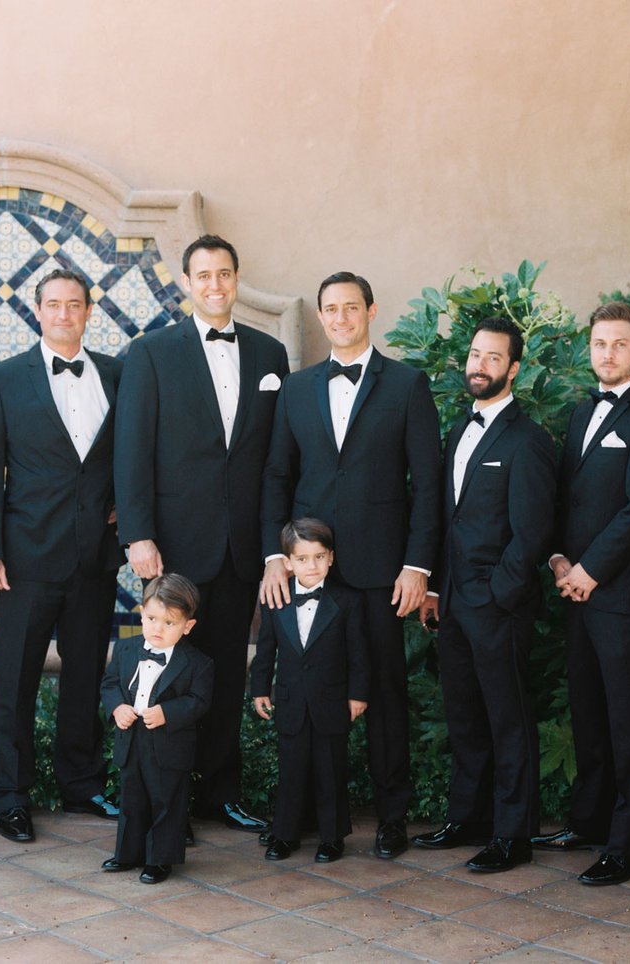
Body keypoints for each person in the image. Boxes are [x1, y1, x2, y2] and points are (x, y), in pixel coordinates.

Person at [261, 271, 440, 859]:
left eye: (351, 308)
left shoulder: (408, 385)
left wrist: (418, 565)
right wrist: (276, 558)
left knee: (384, 693)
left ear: (371, 310)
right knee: (308, 694)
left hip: (382, 571)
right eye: (330, 310)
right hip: (311, 568)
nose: (340, 318)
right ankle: (310, 815)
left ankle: (392, 816)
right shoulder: (297, 388)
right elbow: (278, 477)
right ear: (320, 317)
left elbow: (428, 485)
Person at [115, 234, 288, 834]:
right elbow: (131, 451)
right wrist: (138, 534)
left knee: (220, 674)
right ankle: (171, 802)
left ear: (236, 279)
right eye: (203, 276)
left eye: (224, 274)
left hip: (240, 548)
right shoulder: (152, 353)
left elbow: (273, 464)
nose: (215, 285)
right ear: (185, 283)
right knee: (167, 675)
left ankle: (221, 790)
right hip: (176, 545)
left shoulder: (270, 355)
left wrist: (272, 549)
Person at [0, 269, 122, 844]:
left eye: (73, 305)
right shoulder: (4, 379)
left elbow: (133, 456)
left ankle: (82, 785)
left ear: (88, 311)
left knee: (84, 678)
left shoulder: (117, 373)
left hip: (94, 560)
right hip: (25, 560)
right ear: (37, 311)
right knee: (16, 683)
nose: (63, 314)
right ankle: (11, 796)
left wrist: (125, 516)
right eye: (53, 304)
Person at [533, 302, 630, 885]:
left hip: (622, 596)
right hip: (578, 591)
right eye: (599, 344)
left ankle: (627, 847)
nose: (608, 353)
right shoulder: (580, 413)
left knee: (628, 724)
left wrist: (592, 569)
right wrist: (561, 558)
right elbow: (569, 499)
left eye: (619, 344)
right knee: (589, 716)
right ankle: (588, 821)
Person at [415, 316, 556, 873]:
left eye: (493, 358)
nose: (480, 365)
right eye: (476, 355)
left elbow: (533, 533)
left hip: (498, 607)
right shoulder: (458, 429)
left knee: (507, 721)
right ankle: (467, 817)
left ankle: (512, 835)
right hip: (451, 603)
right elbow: (450, 520)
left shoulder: (530, 440)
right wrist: (434, 589)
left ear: (514, 368)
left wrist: (498, 594)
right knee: (465, 718)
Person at [250, 518, 369, 864]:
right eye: (302, 559)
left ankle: (332, 838)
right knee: (291, 771)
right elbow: (266, 649)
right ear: (287, 562)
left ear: (331, 558)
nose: (311, 566)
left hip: (332, 701)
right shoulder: (277, 600)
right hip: (290, 701)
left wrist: (358, 694)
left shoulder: (347, 601)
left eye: (319, 557)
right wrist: (260, 688)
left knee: (330, 770)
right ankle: (283, 835)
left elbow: (359, 654)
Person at [99, 574, 214, 884]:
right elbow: (110, 683)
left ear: (187, 626)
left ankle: (160, 860)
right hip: (132, 739)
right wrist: (117, 707)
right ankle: (127, 853)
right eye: (151, 619)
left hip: (168, 745)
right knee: (132, 799)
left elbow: (200, 701)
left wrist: (168, 712)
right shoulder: (125, 649)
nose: (157, 629)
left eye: (169, 623)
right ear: (141, 613)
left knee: (166, 802)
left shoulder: (197, 663)